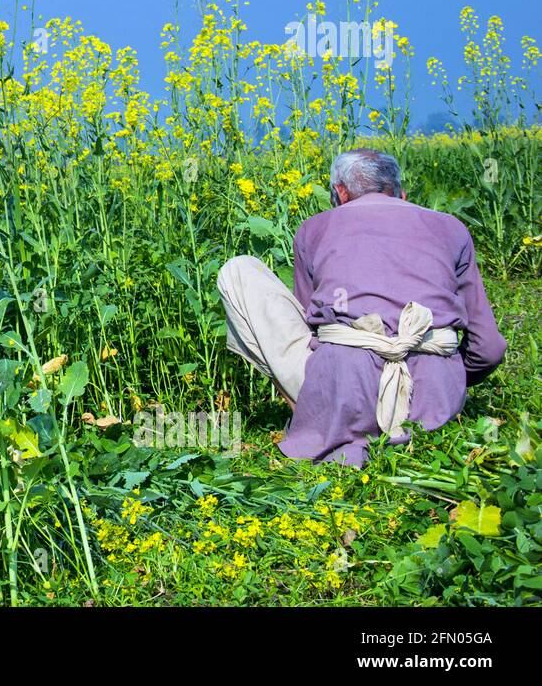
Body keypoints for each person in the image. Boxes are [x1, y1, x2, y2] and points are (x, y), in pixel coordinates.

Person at [216, 148, 507, 465]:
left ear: (340, 193)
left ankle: (321, 422)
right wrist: (443, 379)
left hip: (347, 392)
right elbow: (488, 348)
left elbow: (309, 330)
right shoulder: (451, 228)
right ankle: (409, 422)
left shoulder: (314, 228)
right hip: (434, 405)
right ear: (401, 194)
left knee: (239, 271)